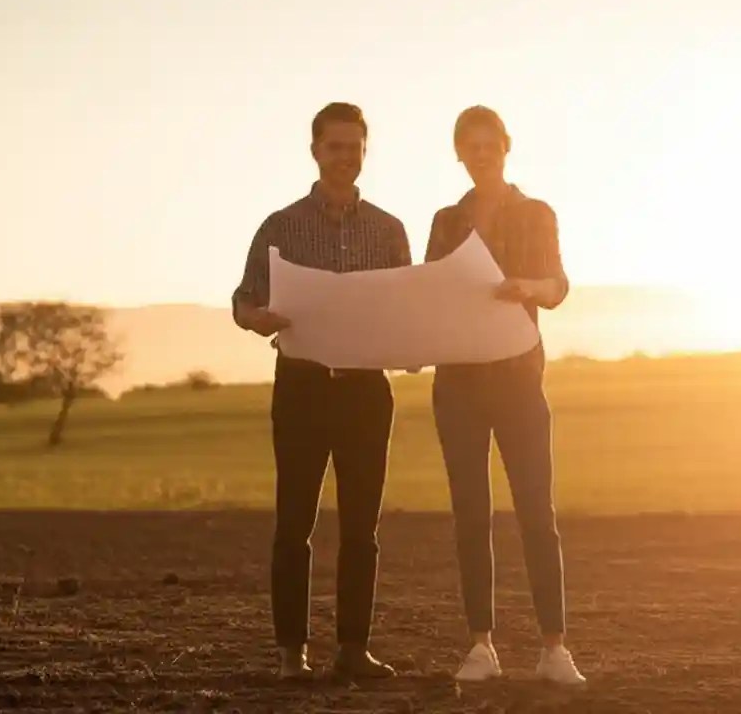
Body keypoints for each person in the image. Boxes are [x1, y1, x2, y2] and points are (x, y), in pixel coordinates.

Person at [231, 102, 411, 681]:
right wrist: (259, 320)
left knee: (362, 527)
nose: (345, 157)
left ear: (365, 152)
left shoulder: (389, 231)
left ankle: (353, 650)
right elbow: (243, 301)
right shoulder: (280, 226)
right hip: (302, 387)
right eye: (335, 146)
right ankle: (292, 654)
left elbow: (403, 310)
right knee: (294, 524)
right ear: (315, 151)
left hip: (366, 391)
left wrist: (413, 345)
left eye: (354, 146)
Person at [423, 105, 586, 685]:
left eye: (489, 143)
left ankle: (553, 647)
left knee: (537, 513)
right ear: (459, 153)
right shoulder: (446, 221)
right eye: (470, 144)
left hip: (519, 381)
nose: (481, 153)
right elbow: (430, 292)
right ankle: (481, 646)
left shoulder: (536, 213)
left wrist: (528, 288)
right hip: (459, 384)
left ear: (506, 146)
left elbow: (559, 286)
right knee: (471, 514)